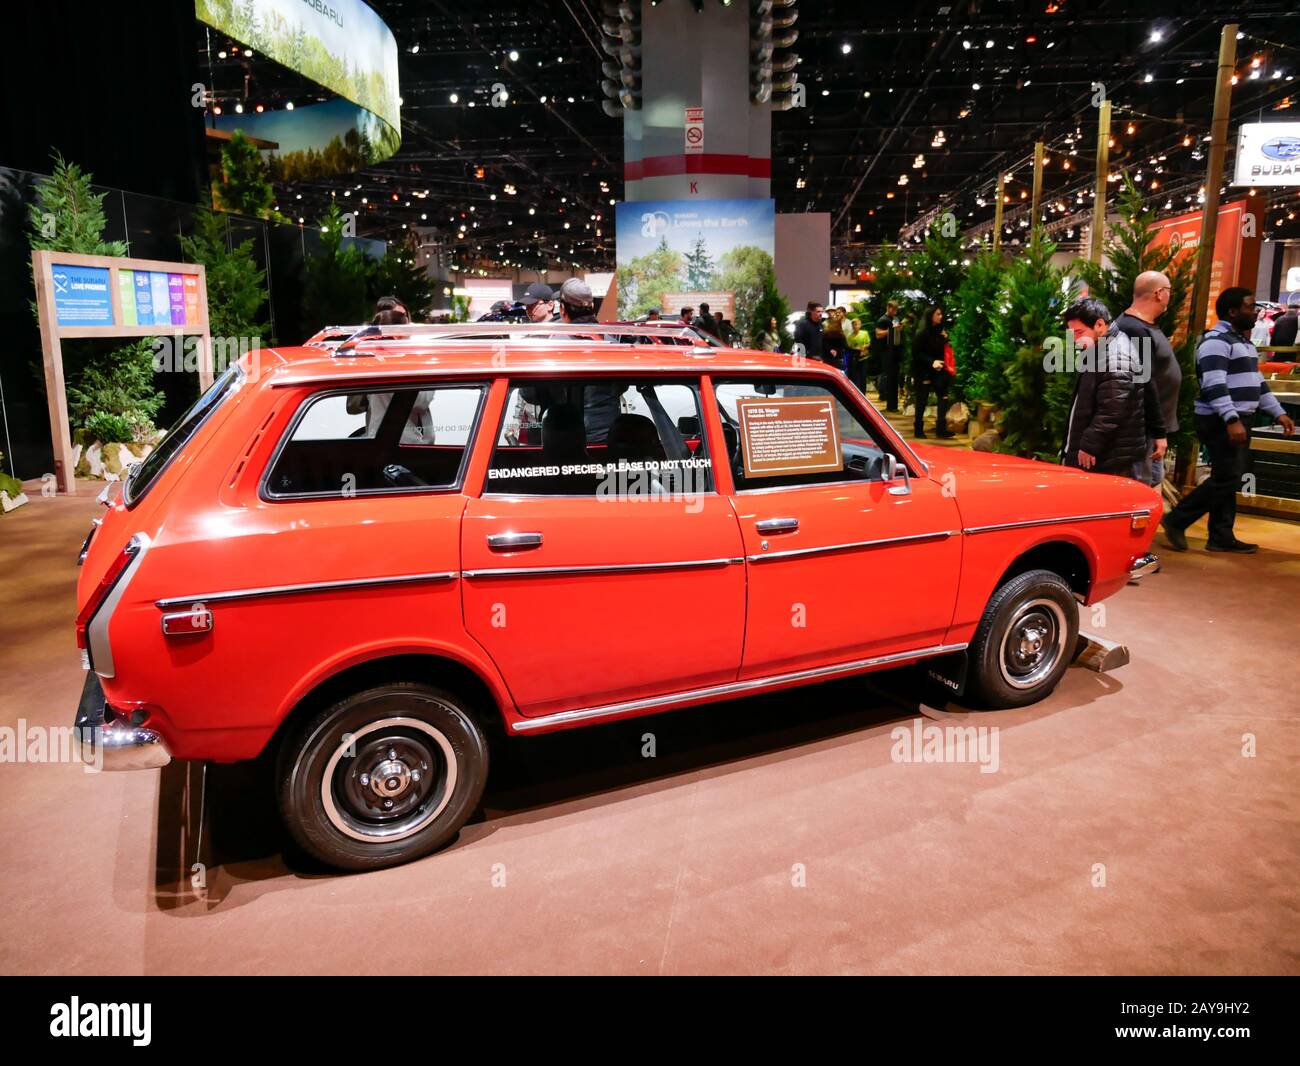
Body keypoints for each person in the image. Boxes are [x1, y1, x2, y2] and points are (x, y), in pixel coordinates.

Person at [1161, 287, 1297, 554]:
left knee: (1229, 476)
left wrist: (1278, 412)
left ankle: (1221, 535)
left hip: (1236, 418)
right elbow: (1213, 385)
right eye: (1249, 307)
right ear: (1233, 311)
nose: (1255, 311)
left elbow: (1257, 384)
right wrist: (1231, 418)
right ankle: (1177, 519)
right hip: (1220, 420)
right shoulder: (1216, 341)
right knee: (1230, 477)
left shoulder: (1243, 342)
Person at [1060, 298, 1156, 478]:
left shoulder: (1115, 356)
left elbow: (1112, 409)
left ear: (1099, 324)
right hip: (1106, 453)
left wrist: (1089, 445)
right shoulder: (1100, 347)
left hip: (1108, 458)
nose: (1075, 339)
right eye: (1072, 333)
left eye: (1079, 332)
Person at [1113, 271, 1176, 485]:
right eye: (1169, 291)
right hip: (1141, 429)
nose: (1170, 296)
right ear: (1159, 293)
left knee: (1151, 480)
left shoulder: (1140, 326)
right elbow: (1142, 383)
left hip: (1148, 428)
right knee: (1140, 487)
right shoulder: (1134, 329)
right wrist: (1158, 431)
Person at [911, 306, 953, 438]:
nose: (941, 316)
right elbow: (916, 353)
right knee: (922, 399)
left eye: (941, 314)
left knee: (943, 396)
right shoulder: (922, 333)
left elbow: (941, 350)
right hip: (924, 370)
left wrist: (945, 339)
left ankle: (941, 428)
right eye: (938, 314)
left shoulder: (940, 332)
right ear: (931, 316)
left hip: (938, 369)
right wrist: (931, 362)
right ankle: (918, 428)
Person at [873, 300, 904, 411]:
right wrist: (890, 330)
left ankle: (893, 405)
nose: (894, 311)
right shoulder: (882, 320)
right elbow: (878, 334)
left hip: (895, 350)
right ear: (888, 308)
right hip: (886, 351)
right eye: (893, 309)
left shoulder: (895, 319)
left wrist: (900, 329)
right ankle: (887, 400)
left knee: (894, 378)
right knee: (888, 376)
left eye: (896, 309)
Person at [845, 317, 870, 392]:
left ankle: (863, 393)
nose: (855, 326)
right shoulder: (849, 336)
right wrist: (857, 349)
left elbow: (868, 343)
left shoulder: (864, 333)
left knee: (863, 376)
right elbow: (849, 347)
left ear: (860, 325)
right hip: (854, 357)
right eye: (853, 325)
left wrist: (864, 347)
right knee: (855, 377)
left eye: (856, 324)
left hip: (864, 357)